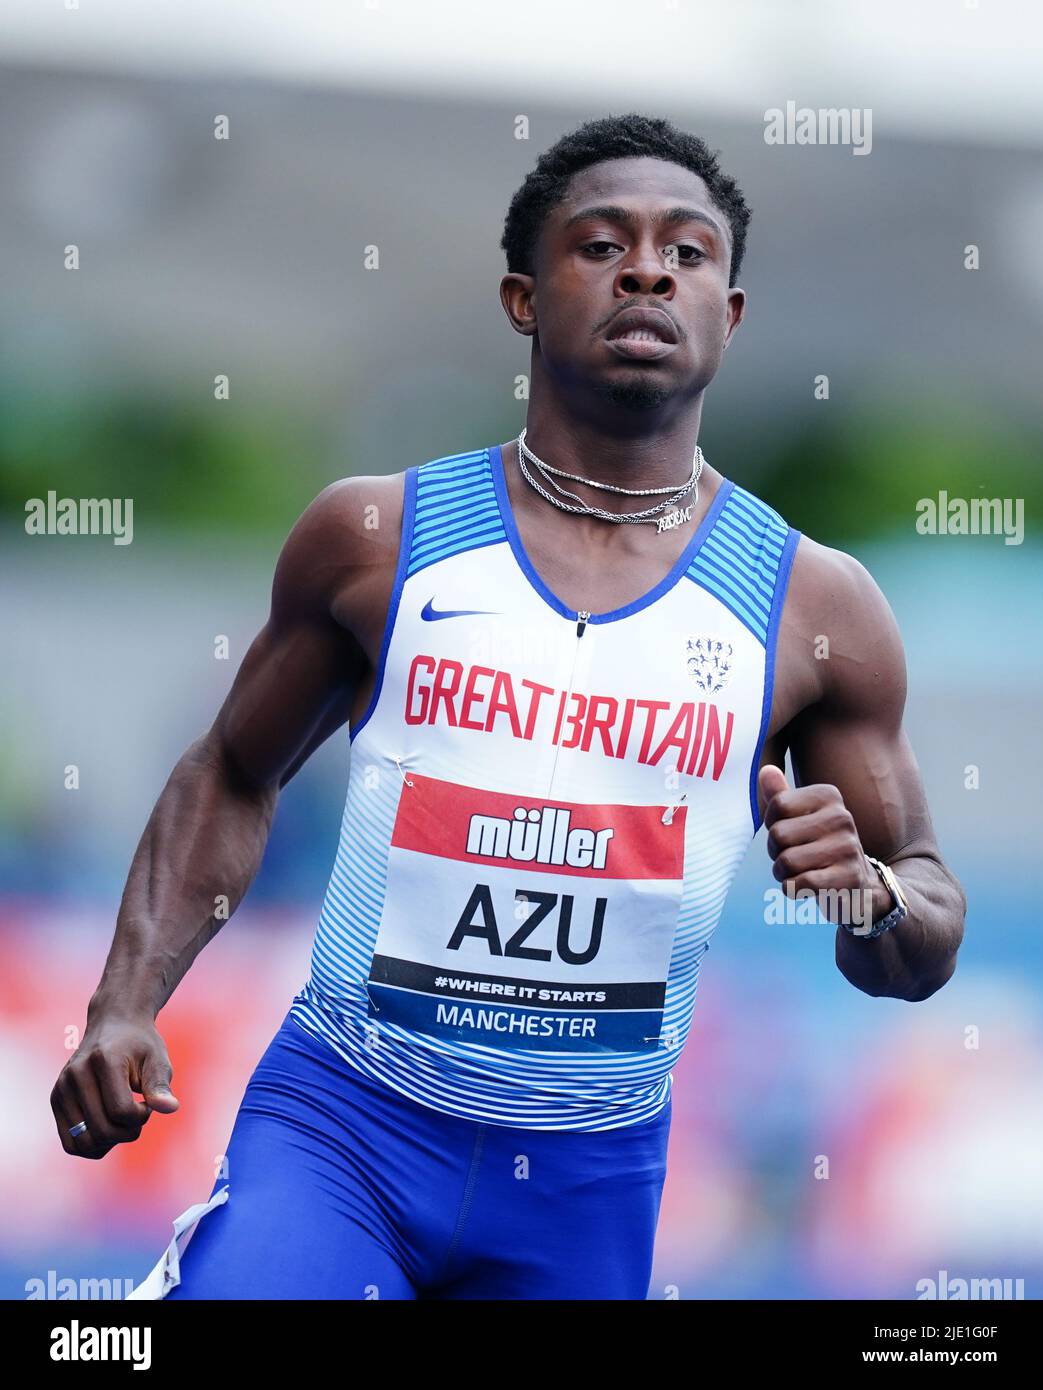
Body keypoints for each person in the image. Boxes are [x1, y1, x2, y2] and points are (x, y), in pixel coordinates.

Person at [52, 112, 966, 1300]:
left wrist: (869, 892)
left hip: (585, 1183)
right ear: (523, 299)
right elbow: (234, 769)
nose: (650, 269)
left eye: (690, 253)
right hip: (347, 1126)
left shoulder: (813, 608)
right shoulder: (378, 539)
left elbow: (923, 926)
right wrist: (125, 1001)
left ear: (729, 318)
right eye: (603, 244)